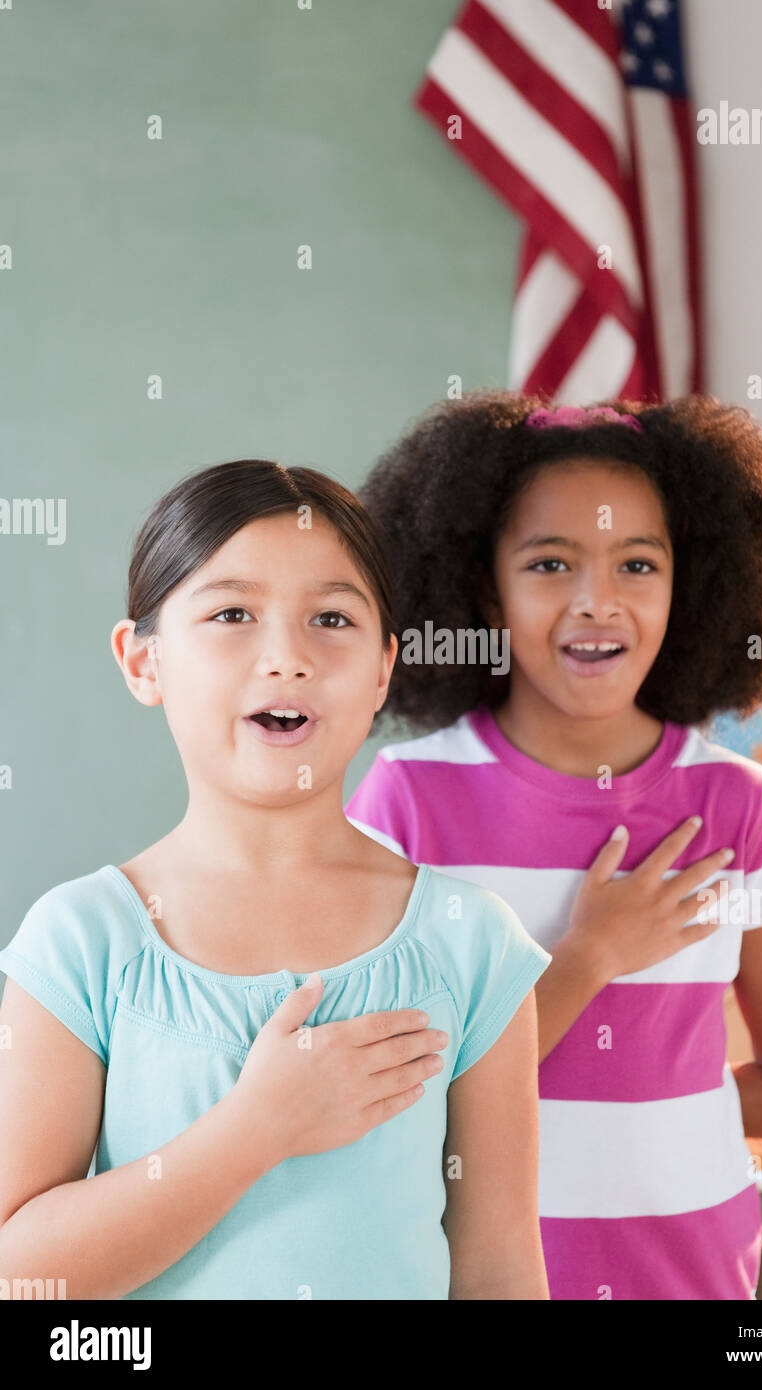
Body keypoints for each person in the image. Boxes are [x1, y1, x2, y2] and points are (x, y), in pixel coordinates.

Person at [0, 459, 551, 1300]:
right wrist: (258, 1129)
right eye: (231, 613)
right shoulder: (80, 940)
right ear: (141, 661)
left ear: (380, 671)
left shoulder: (470, 941)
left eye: (330, 618)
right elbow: (21, 1274)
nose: (287, 656)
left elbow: (500, 1268)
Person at [345, 391, 762, 1300]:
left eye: (637, 564)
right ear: (480, 587)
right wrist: (592, 956)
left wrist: (653, 1121)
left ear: (686, 586)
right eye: (548, 563)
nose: (596, 602)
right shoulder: (406, 802)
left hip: (694, 1278)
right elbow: (393, 1098)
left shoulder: (735, 806)